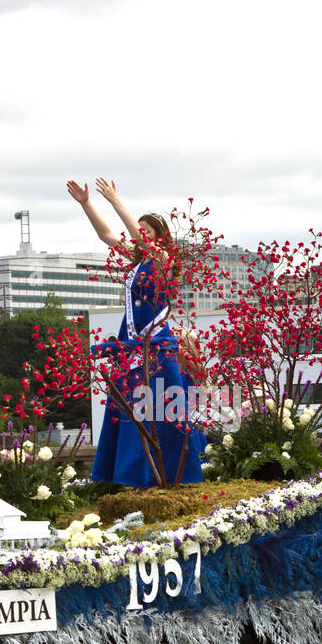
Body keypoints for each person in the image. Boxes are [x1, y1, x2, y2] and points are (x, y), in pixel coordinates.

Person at [67, 177, 203, 487]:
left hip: (156, 341)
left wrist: (116, 200)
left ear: (158, 239)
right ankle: (133, 477)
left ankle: (174, 477)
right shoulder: (139, 262)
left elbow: (137, 238)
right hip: (133, 341)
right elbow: (106, 235)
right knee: (130, 406)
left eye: (147, 232)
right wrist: (87, 204)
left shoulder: (164, 260)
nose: (140, 236)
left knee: (163, 406)